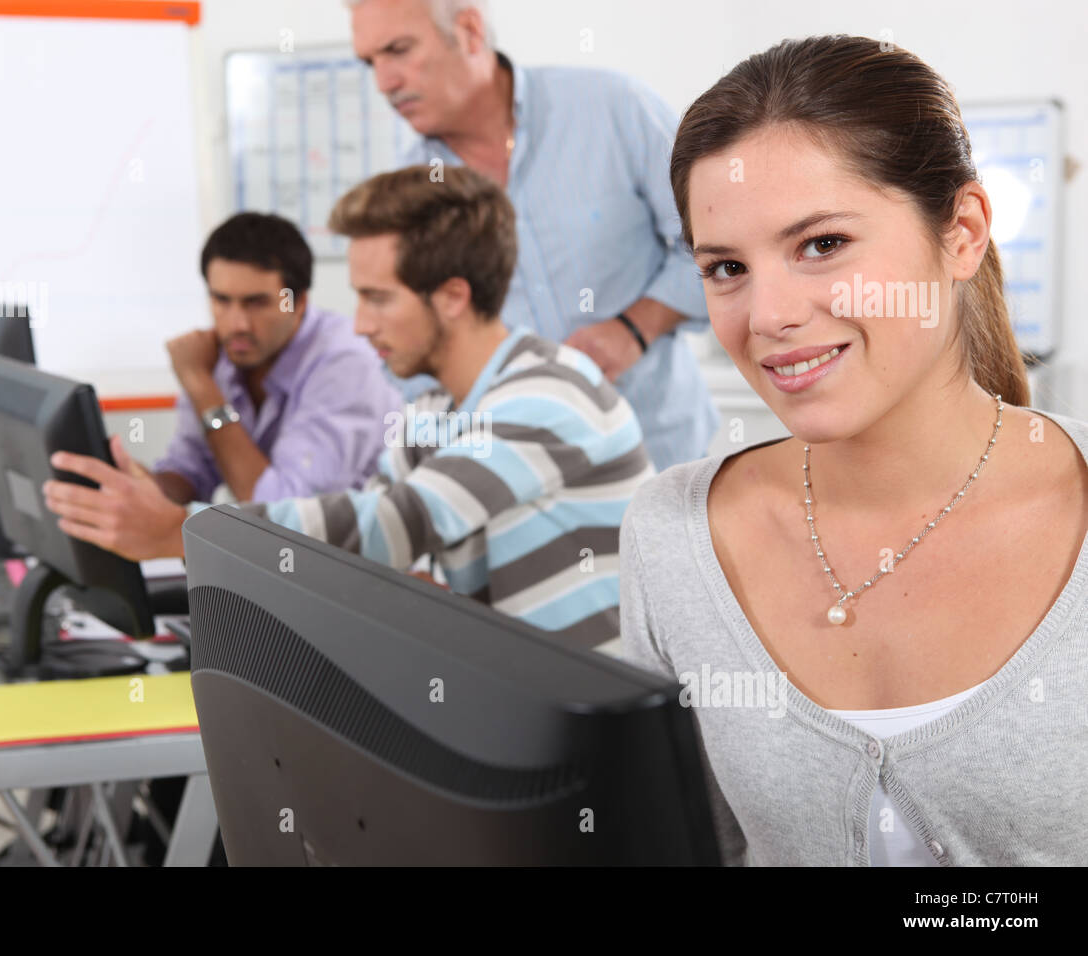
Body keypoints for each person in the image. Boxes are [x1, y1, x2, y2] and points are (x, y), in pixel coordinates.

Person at [617, 35, 1088, 865]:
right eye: (726, 267)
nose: (766, 315)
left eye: (822, 245)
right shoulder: (673, 536)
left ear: (963, 232)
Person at [45, 166, 653, 650]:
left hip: (590, 742)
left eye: (377, 299)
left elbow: (388, 526)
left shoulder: (548, 395)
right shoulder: (435, 411)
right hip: (512, 703)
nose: (360, 324)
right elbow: (373, 560)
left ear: (451, 297)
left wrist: (181, 530)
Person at [347, 0, 719, 471]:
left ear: (468, 30)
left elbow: (726, 250)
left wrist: (636, 328)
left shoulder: (613, 106)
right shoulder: (408, 190)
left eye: (398, 50)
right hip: (519, 485)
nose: (384, 82)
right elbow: (414, 355)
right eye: (370, 62)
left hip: (664, 452)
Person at [154, 212, 400, 505]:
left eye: (256, 303)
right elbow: (190, 474)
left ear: (298, 303)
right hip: (272, 549)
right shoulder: (217, 356)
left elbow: (282, 509)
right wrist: (125, 483)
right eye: (221, 300)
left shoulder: (345, 361)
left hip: (340, 548)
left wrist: (200, 385)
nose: (236, 325)